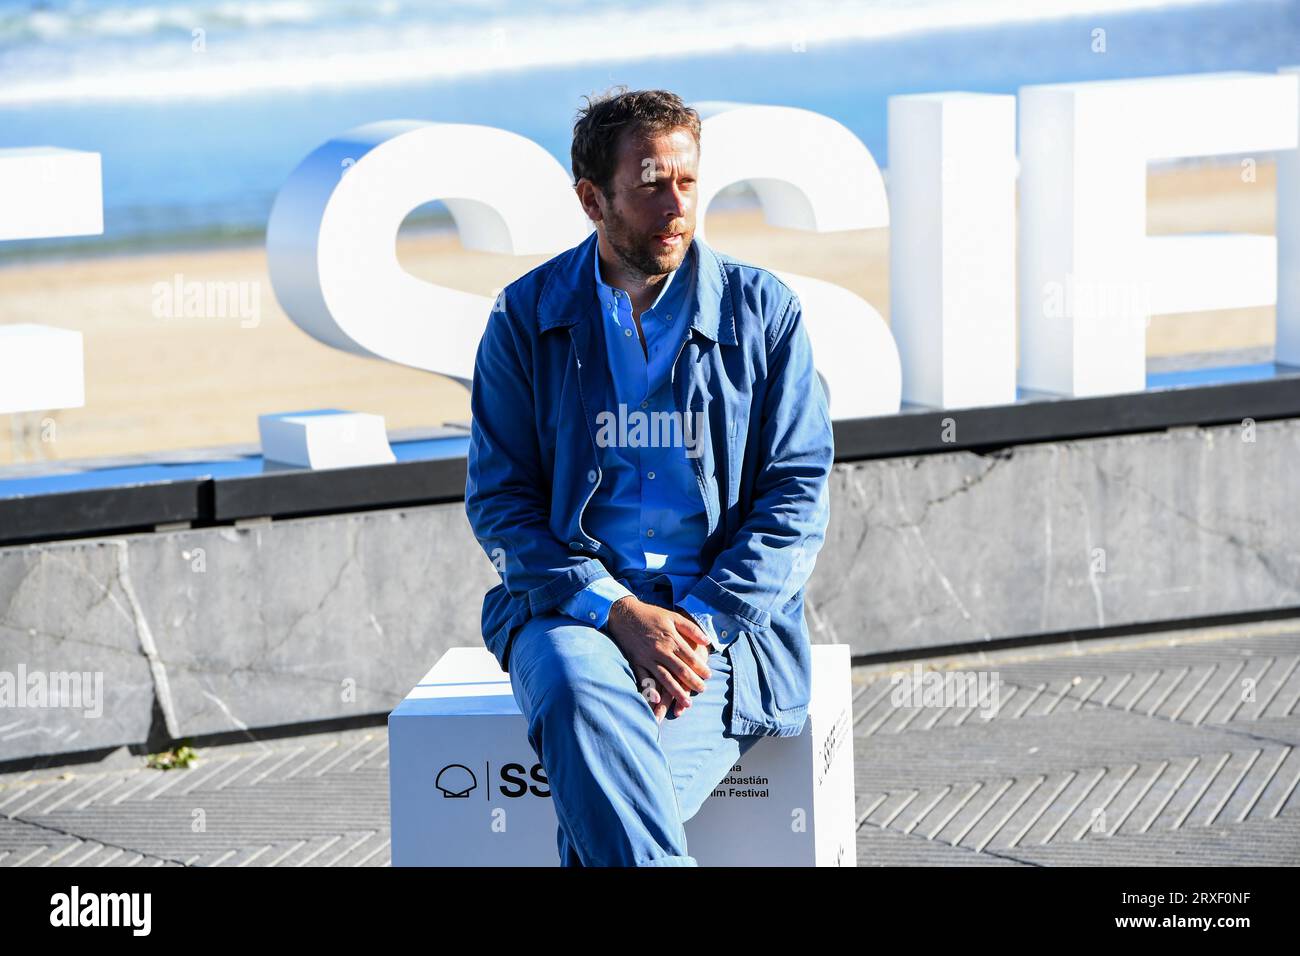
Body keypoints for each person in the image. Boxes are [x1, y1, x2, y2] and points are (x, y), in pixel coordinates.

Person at [465, 86, 833, 866]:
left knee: (600, 825)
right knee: (570, 684)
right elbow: (500, 504)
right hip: (570, 612)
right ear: (592, 198)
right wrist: (619, 611)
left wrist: (694, 628)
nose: (677, 207)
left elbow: (797, 497)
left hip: (721, 634)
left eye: (688, 182)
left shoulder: (764, 312)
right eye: (650, 184)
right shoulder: (523, 318)